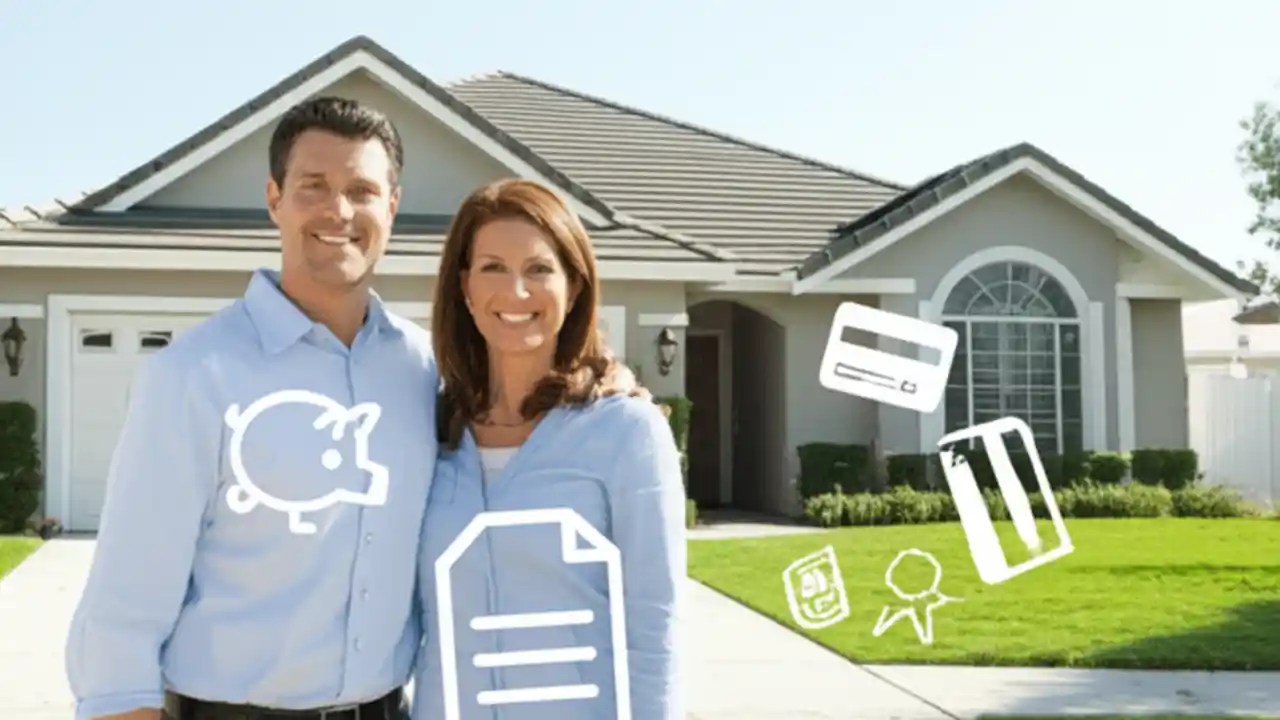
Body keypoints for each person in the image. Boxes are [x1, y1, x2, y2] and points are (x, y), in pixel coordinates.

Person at [65, 96, 437, 720]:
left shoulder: (425, 370)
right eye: (313, 186)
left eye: (362, 190)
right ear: (274, 200)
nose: (338, 210)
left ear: (392, 206)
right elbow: (124, 608)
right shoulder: (193, 375)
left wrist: (601, 383)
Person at [410, 178, 687, 719]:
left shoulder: (626, 431)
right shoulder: (427, 429)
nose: (516, 292)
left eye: (539, 269)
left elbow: (655, 628)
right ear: (465, 287)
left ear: (574, 287)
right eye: (493, 267)